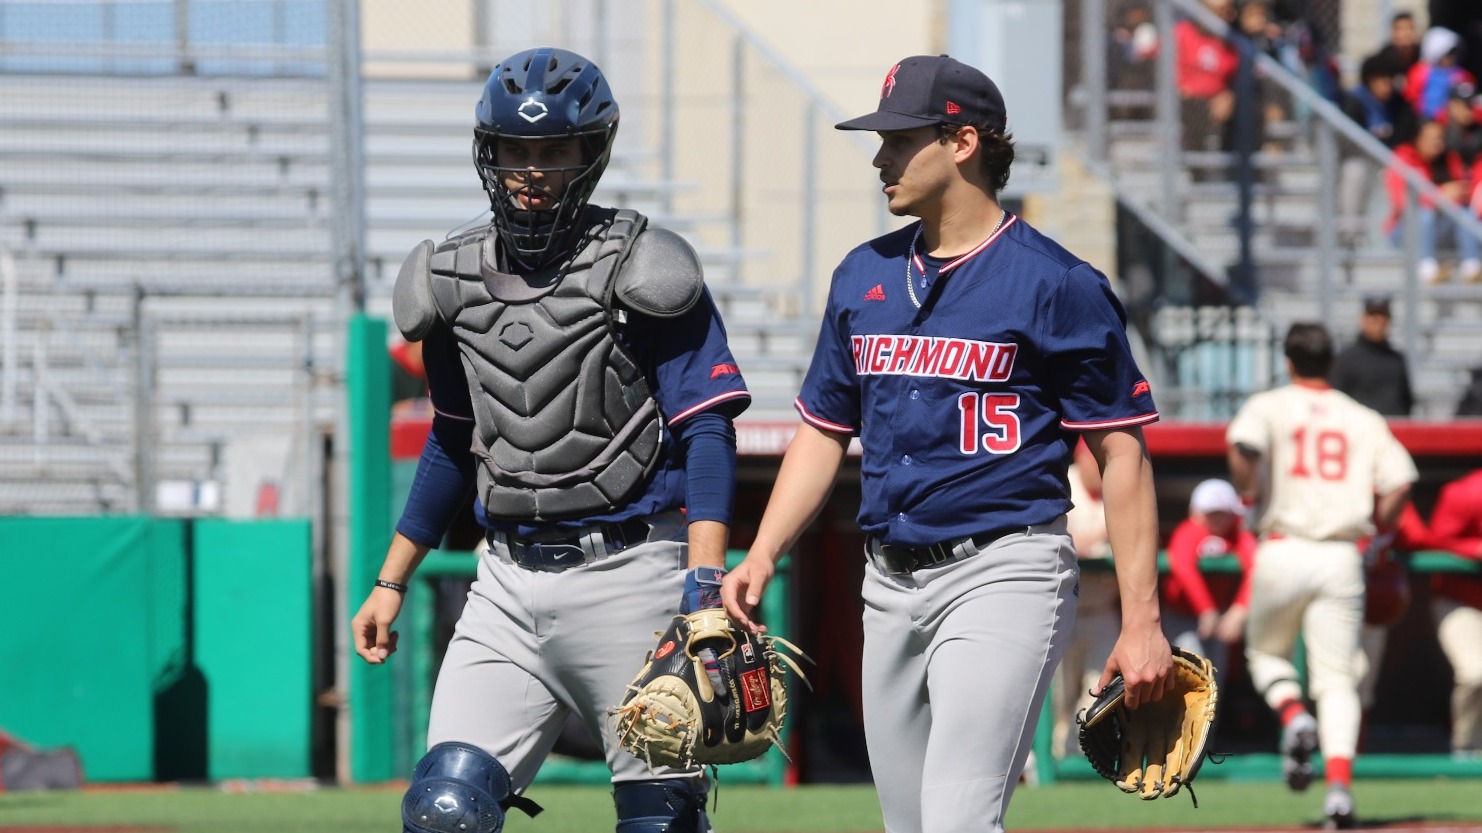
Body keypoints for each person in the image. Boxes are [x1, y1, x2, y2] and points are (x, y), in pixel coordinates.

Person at [720, 54, 1174, 833]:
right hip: (888, 581)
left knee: (958, 819)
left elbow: (1122, 454)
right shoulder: (862, 274)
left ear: (962, 141)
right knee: (910, 825)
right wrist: (761, 551)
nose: (880, 157)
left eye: (899, 138)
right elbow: (825, 433)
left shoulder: (1056, 282)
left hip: (1005, 568)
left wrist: (1143, 619)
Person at [349, 47, 752, 833]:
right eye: (515, 150)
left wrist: (706, 582)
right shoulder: (449, 277)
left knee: (660, 823)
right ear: (486, 152)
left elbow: (706, 428)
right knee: (443, 811)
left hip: (634, 573)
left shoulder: (646, 265)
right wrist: (391, 580)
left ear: (591, 152)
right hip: (505, 582)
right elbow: (454, 439)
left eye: (554, 150)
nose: (531, 169)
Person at [1226, 322, 1419, 830]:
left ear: (1288, 362)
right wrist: (1379, 533)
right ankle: (1338, 791)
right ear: (1331, 363)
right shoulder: (1363, 417)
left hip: (1283, 548)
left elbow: (1243, 450)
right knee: (1338, 680)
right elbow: (1400, 483)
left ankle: (1293, 716)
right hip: (1341, 556)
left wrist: (1249, 496)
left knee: (1265, 653)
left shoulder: (1268, 405)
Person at [1050, 442, 1120, 759]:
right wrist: (1101, 538)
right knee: (1057, 699)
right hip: (1063, 608)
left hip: (1102, 610)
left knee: (1098, 691)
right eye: (1095, 460)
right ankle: (1050, 764)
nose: (1101, 467)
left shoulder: (1119, 485)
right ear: (1081, 457)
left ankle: (1079, 758)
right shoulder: (1064, 483)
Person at [1161, 477, 1256, 681]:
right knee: (1193, 677)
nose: (1217, 520)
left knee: (1215, 681)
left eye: (1223, 513)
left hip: (1219, 616)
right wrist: (1206, 609)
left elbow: (1257, 567)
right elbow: (1183, 566)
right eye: (1211, 513)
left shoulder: (1238, 535)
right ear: (1195, 513)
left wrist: (1239, 610)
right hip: (1181, 615)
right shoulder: (1188, 531)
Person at [1422, 469, 1482, 758]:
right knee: (1475, 672)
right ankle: (1465, 749)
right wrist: (1475, 548)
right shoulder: (1466, 492)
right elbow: (1433, 541)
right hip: (1460, 599)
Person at [1383, 119, 1481, 284]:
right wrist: (1438, 197)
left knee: (1466, 214)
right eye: (1430, 138)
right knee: (1424, 214)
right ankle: (1426, 267)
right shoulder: (1403, 157)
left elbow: (1463, 191)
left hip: (1440, 229)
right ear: (1417, 138)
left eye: (1440, 137)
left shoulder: (1450, 158)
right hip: (1407, 230)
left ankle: (1472, 266)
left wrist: (1457, 193)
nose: (1437, 142)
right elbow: (1403, 203)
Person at [1338, 55, 1421, 245]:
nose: (1387, 86)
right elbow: (1348, 143)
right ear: (1369, 80)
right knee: (1354, 172)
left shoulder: (1400, 105)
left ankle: (1390, 237)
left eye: (1390, 80)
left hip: (1390, 164)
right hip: (1363, 160)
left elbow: (1405, 137)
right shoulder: (1355, 101)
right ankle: (1351, 232)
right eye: (1382, 80)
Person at [1329, 294, 1415, 417]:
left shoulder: (1397, 360)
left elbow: (1406, 401)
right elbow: (1336, 400)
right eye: (1373, 315)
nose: (1377, 321)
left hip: (1393, 431)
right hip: (1358, 432)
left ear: (1389, 320)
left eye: (1382, 315)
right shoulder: (1346, 359)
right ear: (1363, 318)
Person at [1406, 26, 1478, 121]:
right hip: (1425, 121)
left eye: (1453, 53)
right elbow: (1411, 96)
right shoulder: (1421, 72)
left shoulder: (1460, 74)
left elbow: (1470, 94)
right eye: (1446, 54)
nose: (1451, 58)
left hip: (1452, 122)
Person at [1366, 11, 1422, 93]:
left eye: (1410, 28)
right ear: (1393, 33)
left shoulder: (1422, 56)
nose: (1406, 33)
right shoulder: (1382, 60)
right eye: (1400, 29)